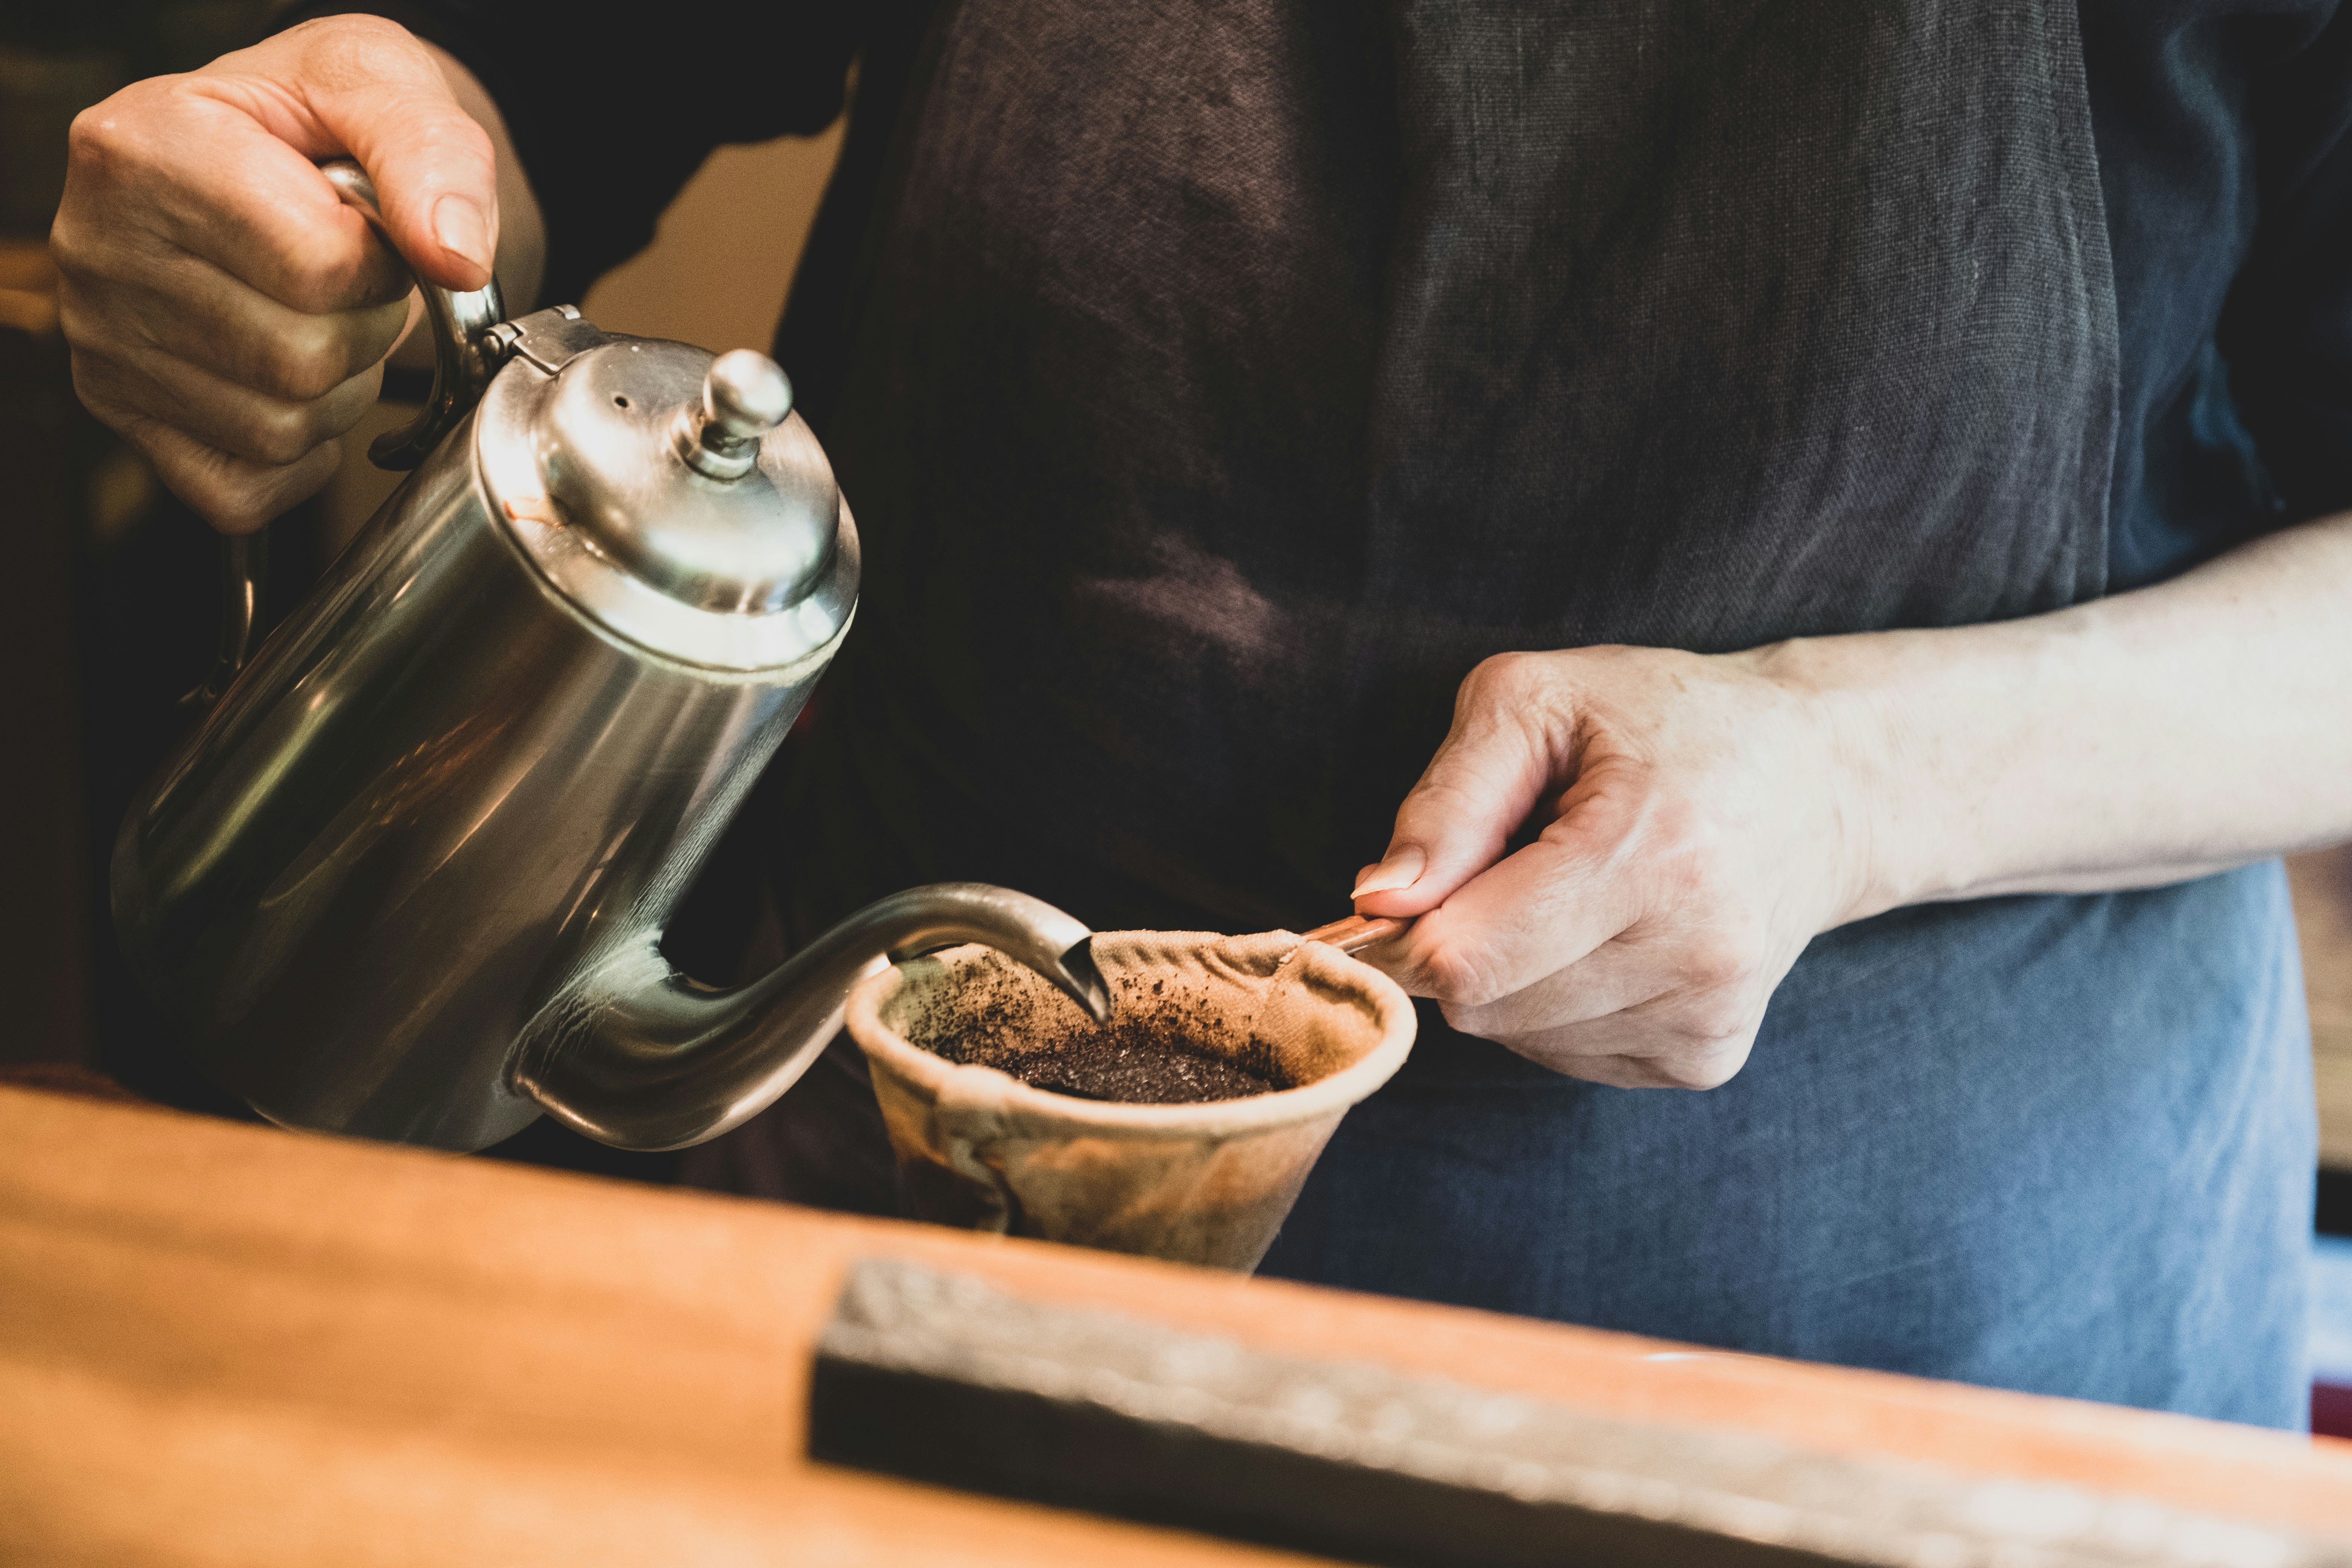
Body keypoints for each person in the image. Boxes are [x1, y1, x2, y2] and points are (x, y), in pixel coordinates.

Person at [50, 2, 2352, 1429]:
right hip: (892, 1211)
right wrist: (358, 165)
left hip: (1859, 1328)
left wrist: (1856, 780)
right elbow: (548, 63)